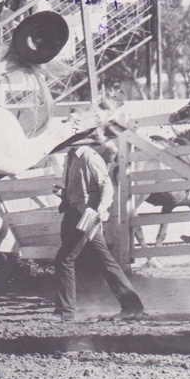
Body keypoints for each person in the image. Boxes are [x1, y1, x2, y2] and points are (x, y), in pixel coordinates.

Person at [53, 132, 146, 321]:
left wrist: (98, 213)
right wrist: (64, 193)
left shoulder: (89, 157)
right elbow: (81, 188)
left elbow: (107, 188)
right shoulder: (72, 157)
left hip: (86, 217)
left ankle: (66, 312)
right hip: (75, 214)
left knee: (64, 259)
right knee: (105, 262)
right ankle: (133, 307)